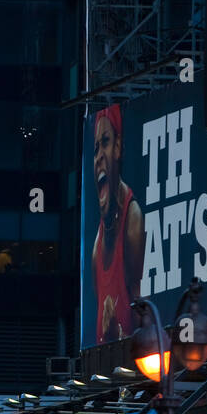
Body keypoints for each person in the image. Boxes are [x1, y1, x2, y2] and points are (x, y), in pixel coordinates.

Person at [90, 106, 145, 345]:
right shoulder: (96, 247)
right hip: (107, 375)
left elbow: (144, 323)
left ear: (119, 147)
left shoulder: (133, 218)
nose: (99, 155)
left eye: (105, 142)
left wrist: (118, 336)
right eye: (95, 149)